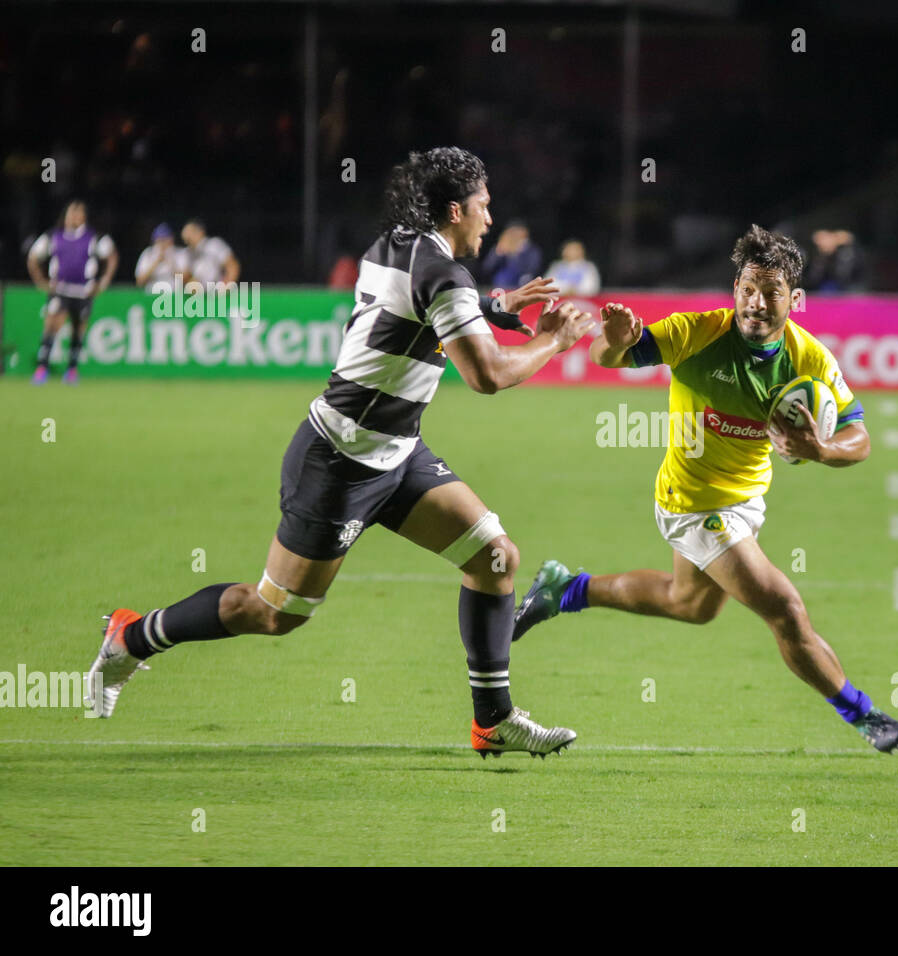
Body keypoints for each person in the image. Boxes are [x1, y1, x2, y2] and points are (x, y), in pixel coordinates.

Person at [86, 147, 597, 760]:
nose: (491, 219)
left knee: (494, 557)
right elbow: (487, 375)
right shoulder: (441, 274)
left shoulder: (394, 245)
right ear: (456, 209)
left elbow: (407, 315)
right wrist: (553, 338)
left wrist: (493, 308)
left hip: (397, 453)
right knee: (275, 612)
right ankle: (130, 637)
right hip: (337, 461)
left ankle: (494, 720)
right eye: (485, 206)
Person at [512, 224, 898, 754]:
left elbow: (858, 437)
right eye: (747, 288)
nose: (756, 302)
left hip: (746, 499)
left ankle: (563, 589)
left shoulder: (808, 357)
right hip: (693, 502)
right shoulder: (697, 332)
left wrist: (823, 450)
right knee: (785, 609)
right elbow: (608, 357)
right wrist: (620, 339)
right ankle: (863, 714)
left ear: (794, 298)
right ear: (735, 290)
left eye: (770, 292)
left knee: (690, 604)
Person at [26, 199, 118, 384]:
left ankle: (72, 370)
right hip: (60, 289)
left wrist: (104, 281)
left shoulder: (94, 237)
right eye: (72, 213)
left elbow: (111, 256)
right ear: (66, 215)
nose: (75, 217)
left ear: (84, 217)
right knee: (52, 326)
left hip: (83, 291)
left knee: (78, 330)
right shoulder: (53, 236)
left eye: (78, 213)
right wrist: (40, 281)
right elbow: (33, 257)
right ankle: (42, 368)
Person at [480, 221, 541, 289]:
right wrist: (498, 253)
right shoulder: (501, 247)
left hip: (520, 286)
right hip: (498, 287)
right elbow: (487, 268)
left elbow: (531, 270)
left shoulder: (530, 250)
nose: (514, 237)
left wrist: (517, 254)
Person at [179, 218, 240, 286]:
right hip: (200, 293)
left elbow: (232, 266)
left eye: (191, 233)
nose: (187, 237)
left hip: (217, 290)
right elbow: (185, 277)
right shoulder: (188, 253)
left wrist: (226, 286)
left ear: (200, 231)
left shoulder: (213, 244)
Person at [135, 223, 184, 293]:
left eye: (165, 239)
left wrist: (169, 261)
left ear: (172, 240)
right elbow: (139, 281)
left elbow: (185, 280)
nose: (163, 243)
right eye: (160, 240)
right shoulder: (148, 253)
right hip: (152, 295)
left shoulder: (179, 253)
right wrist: (157, 262)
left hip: (174, 297)